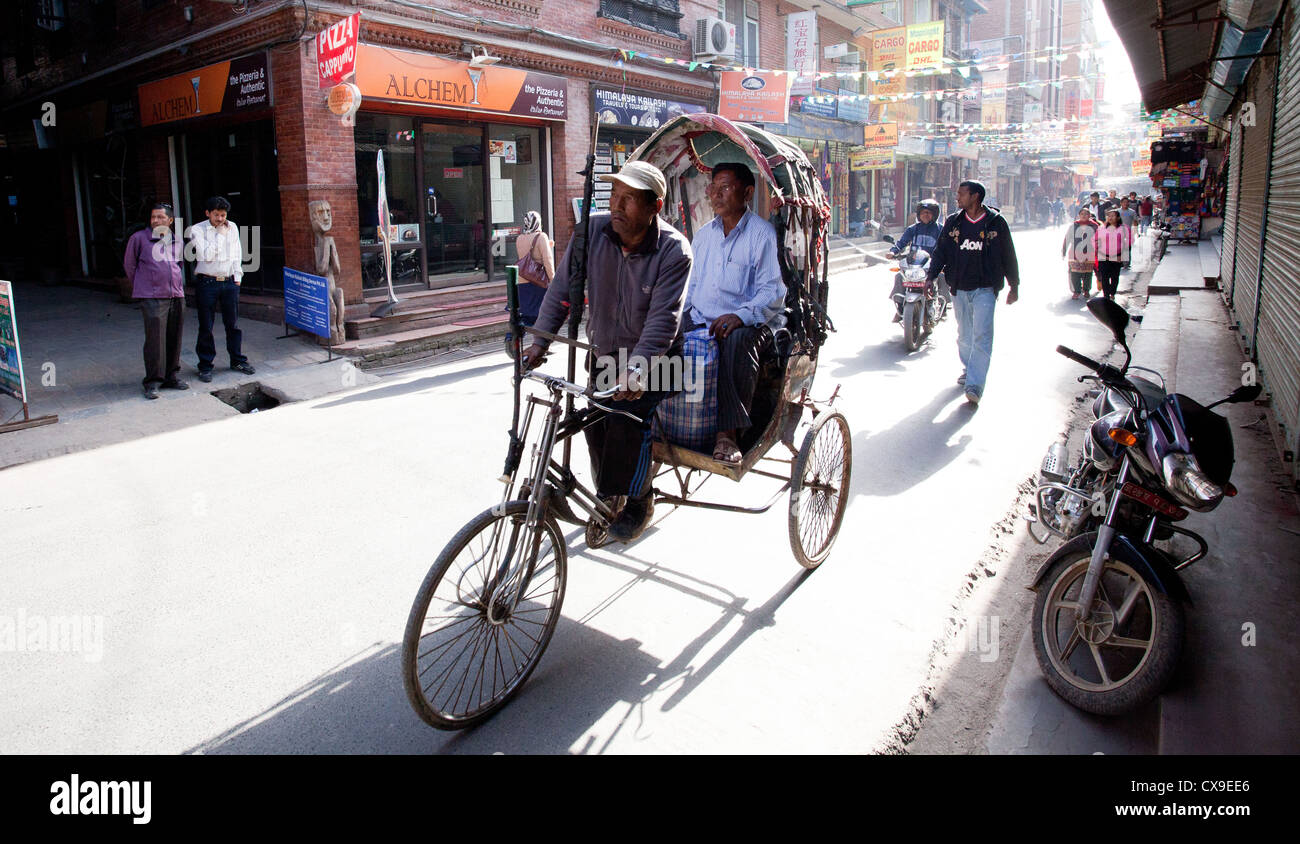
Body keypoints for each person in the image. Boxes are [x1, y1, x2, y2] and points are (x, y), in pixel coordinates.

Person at [521, 161, 690, 542]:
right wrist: (538, 342)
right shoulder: (591, 233)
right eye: (614, 195)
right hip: (605, 353)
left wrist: (639, 370)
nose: (617, 205)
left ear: (654, 207)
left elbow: (663, 321)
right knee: (594, 422)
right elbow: (561, 292)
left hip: (660, 360)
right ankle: (609, 490)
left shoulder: (674, 251)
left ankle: (639, 500)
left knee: (627, 419)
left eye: (629, 199)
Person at [681, 162, 784, 464]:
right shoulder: (702, 236)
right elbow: (693, 285)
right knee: (663, 337)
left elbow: (771, 292)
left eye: (724, 187)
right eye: (713, 187)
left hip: (751, 320)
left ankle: (727, 434)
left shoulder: (761, 234)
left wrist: (741, 315)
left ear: (747, 193)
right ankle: (669, 418)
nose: (715, 194)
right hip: (703, 317)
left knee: (737, 341)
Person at [924, 179, 1020, 406]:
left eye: (961, 194)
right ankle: (969, 368)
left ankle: (975, 385)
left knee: (982, 336)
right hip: (958, 287)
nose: (957, 198)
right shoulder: (953, 222)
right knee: (964, 335)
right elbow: (941, 251)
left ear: (975, 196)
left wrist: (1014, 285)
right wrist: (931, 276)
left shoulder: (996, 223)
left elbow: (1009, 254)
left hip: (985, 288)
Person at [123, 203, 187, 400]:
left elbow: (179, 265)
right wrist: (144, 286)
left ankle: (171, 376)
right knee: (154, 340)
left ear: (169, 221)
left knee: (174, 337)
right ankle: (152, 382)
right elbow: (129, 265)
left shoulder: (176, 240)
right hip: (152, 297)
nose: (156, 221)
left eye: (160, 217)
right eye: (153, 217)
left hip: (176, 295)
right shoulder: (139, 238)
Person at [188, 196, 254, 382]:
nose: (220, 219)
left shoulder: (232, 226)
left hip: (229, 281)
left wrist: (238, 276)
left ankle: (237, 360)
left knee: (233, 324)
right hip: (207, 282)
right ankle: (206, 365)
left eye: (223, 215)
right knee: (206, 325)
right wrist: (220, 235)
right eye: (216, 215)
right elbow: (206, 255)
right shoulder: (197, 230)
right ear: (207, 213)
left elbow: (236, 252)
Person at [888, 199, 944, 322]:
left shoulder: (940, 229)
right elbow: (901, 243)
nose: (926, 215)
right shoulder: (912, 229)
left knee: (941, 276)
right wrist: (893, 252)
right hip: (915, 264)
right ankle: (900, 308)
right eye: (923, 212)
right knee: (899, 277)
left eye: (929, 213)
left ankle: (943, 306)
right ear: (919, 214)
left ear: (934, 215)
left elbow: (946, 246)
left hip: (932, 264)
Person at [508, 210, 554, 353]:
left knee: (525, 315)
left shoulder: (520, 238)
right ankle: (541, 345)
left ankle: (511, 337)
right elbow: (547, 260)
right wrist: (553, 280)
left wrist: (547, 244)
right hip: (538, 283)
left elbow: (527, 257)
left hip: (522, 282)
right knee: (544, 315)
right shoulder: (541, 237)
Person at [1061, 206, 1099, 301]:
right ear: (1079, 215)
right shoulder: (1074, 225)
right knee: (1075, 273)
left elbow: (1099, 239)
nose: (1084, 216)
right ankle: (1077, 291)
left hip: (1089, 252)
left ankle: (1086, 289)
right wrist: (1064, 250)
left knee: (1088, 273)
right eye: (1082, 214)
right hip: (1075, 253)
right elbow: (1067, 238)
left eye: (1086, 214)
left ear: (1089, 215)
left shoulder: (1094, 226)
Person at [1095, 209, 1128, 300]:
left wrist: (1122, 256)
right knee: (1104, 277)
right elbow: (1095, 240)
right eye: (1109, 216)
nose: (1110, 217)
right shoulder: (1102, 228)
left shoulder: (1123, 228)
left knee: (1114, 277)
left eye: (1113, 216)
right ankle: (1106, 295)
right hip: (1103, 256)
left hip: (1116, 256)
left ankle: (1112, 293)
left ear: (1117, 218)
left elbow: (1127, 243)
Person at [1117, 198, 1139, 268]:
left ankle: (1126, 263)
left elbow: (1135, 221)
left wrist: (1136, 231)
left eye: (1127, 202)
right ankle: (1120, 262)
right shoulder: (1117, 211)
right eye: (1124, 202)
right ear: (1121, 203)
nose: (1125, 204)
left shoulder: (1132, 212)